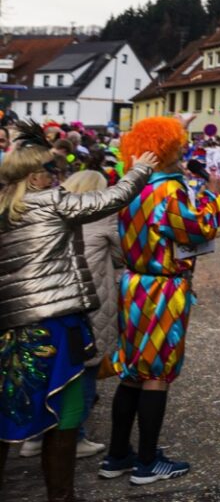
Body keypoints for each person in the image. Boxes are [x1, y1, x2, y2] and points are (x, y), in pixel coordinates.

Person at [0, 122, 158, 502]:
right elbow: (110, 199)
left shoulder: (3, 208)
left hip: (11, 324)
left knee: (9, 409)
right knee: (65, 408)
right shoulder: (52, 201)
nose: (57, 176)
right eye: (52, 171)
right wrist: (140, 169)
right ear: (37, 175)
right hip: (56, 321)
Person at [101, 117, 220, 485]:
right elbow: (199, 227)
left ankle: (117, 454)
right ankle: (146, 463)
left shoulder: (132, 185)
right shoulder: (169, 189)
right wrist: (214, 194)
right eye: (179, 143)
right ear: (169, 148)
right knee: (157, 372)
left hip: (134, 283)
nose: (184, 149)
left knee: (132, 369)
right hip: (163, 287)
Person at [61, 169, 124, 459]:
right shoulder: (102, 216)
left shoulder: (55, 212)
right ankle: (76, 436)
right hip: (92, 300)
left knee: (56, 368)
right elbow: (123, 254)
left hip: (55, 300)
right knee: (86, 367)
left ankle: (37, 436)